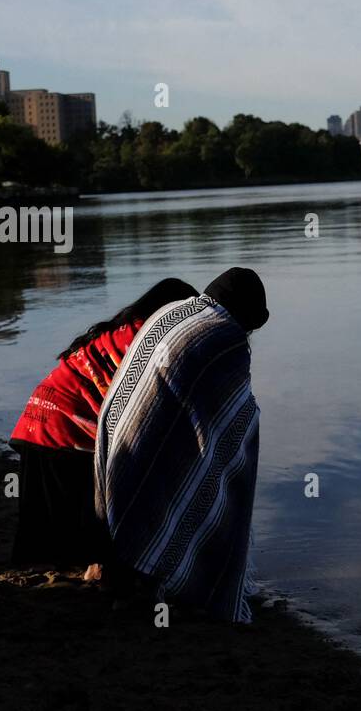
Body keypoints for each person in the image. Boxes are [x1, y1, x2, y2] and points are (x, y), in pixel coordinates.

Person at [93, 267, 269, 623]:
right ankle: (193, 578)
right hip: (139, 444)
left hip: (116, 441)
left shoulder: (174, 311)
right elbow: (236, 417)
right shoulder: (226, 335)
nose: (249, 334)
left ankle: (121, 574)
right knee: (226, 462)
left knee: (169, 467)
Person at [9, 278, 198, 575]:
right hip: (63, 427)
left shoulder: (123, 329)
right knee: (102, 502)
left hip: (37, 419)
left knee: (68, 514)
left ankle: (87, 566)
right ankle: (100, 568)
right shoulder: (150, 338)